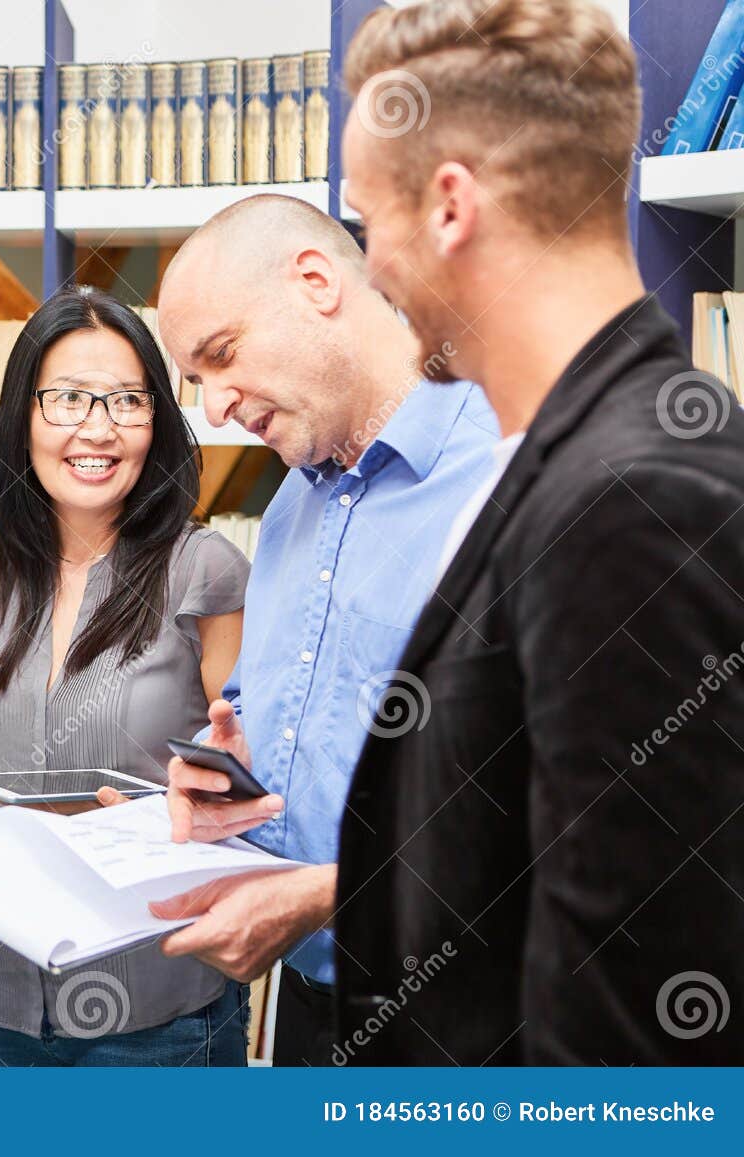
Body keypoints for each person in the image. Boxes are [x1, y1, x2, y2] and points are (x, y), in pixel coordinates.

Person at [334, 0, 744, 1062]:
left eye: (365, 220)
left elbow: (633, 1043)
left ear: (449, 207)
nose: (368, 268)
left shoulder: (635, 503)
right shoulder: (567, 462)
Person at [143, 193, 498, 1066]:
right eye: (196, 383)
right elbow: (273, 713)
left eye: (221, 357)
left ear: (316, 283)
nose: (215, 408)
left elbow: (583, 803)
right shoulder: (292, 508)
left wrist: (333, 894)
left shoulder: (513, 470)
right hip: (310, 1008)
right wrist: (225, 774)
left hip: (479, 1013)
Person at [0, 286, 251, 1066]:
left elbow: (250, 784)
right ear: (24, 415)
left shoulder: (205, 571)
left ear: (157, 419)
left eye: (126, 400)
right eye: (68, 399)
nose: (98, 427)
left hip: (159, 997)